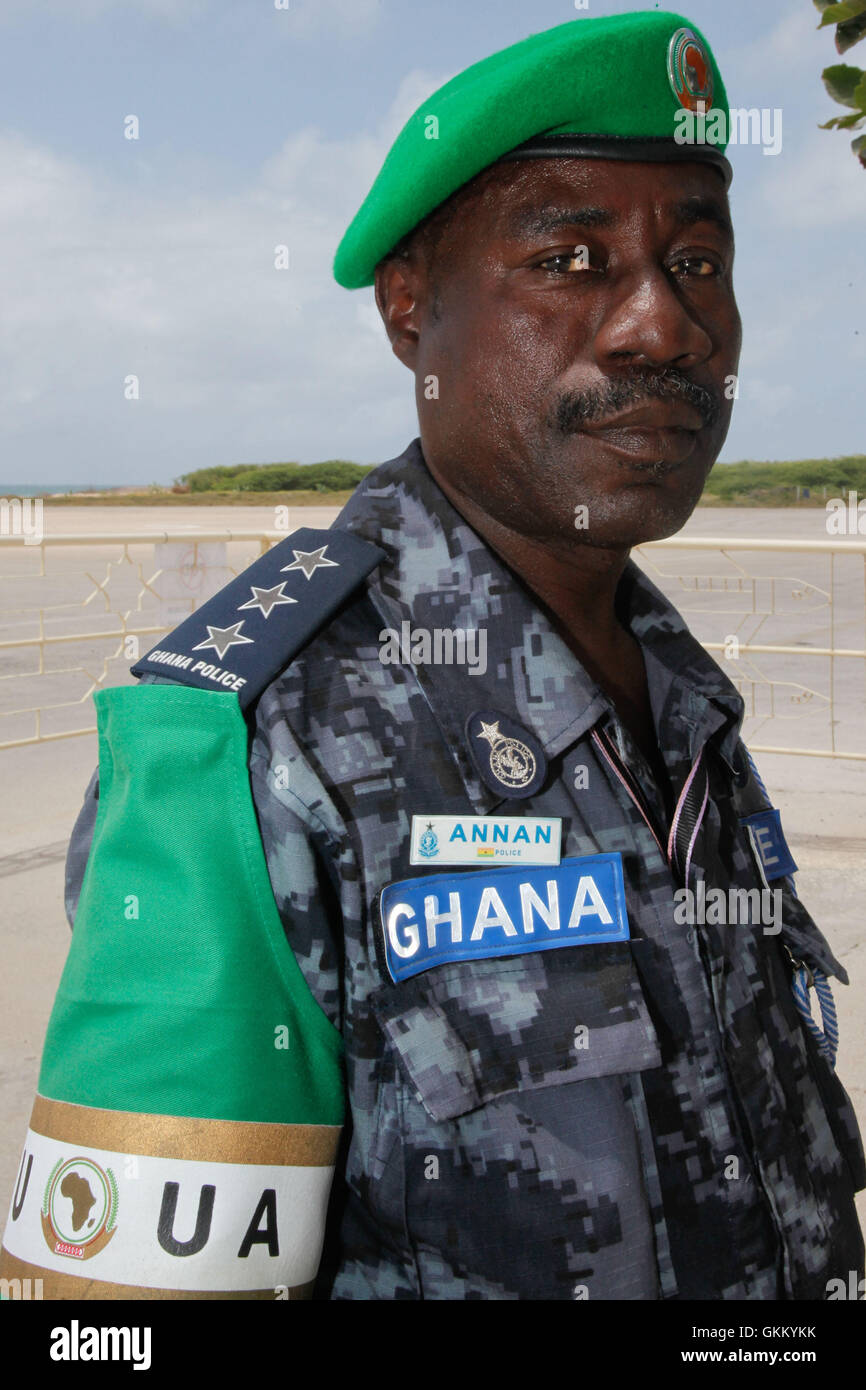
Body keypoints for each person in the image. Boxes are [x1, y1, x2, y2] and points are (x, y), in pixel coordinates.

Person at [2, 9, 864, 1302]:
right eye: (572, 259)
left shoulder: (677, 688)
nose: (659, 326)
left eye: (694, 259)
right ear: (411, 312)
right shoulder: (249, 745)